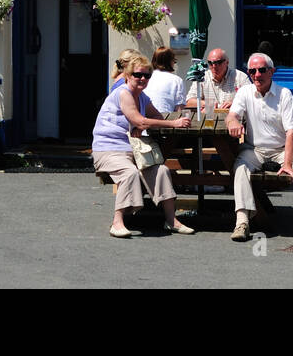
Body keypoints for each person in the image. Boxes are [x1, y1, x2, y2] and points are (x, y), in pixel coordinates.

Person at [225, 52, 293, 244]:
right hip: (255, 149)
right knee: (240, 167)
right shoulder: (245, 92)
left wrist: (288, 164)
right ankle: (242, 222)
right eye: (252, 71)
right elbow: (232, 115)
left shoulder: (284, 94)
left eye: (262, 70)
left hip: (281, 149)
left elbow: (292, 132)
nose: (257, 75)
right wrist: (232, 121)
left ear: (272, 71)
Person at [92, 51, 196, 238]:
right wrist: (171, 123)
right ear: (128, 75)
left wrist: (141, 124)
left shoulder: (141, 96)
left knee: (161, 170)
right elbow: (142, 120)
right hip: (109, 148)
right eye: (137, 75)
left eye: (146, 75)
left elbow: (154, 116)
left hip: (133, 149)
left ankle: (171, 220)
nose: (142, 78)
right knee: (129, 173)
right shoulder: (123, 93)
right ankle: (118, 222)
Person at [184, 48, 250, 110]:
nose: (214, 66)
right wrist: (207, 104)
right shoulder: (202, 77)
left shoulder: (240, 77)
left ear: (227, 62)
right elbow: (189, 102)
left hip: (233, 118)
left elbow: (250, 99)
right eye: (210, 63)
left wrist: (235, 104)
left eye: (218, 62)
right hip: (210, 120)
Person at [144, 46, 186, 114]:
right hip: (166, 119)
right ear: (171, 62)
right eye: (174, 61)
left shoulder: (145, 77)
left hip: (145, 118)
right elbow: (179, 109)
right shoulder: (177, 81)